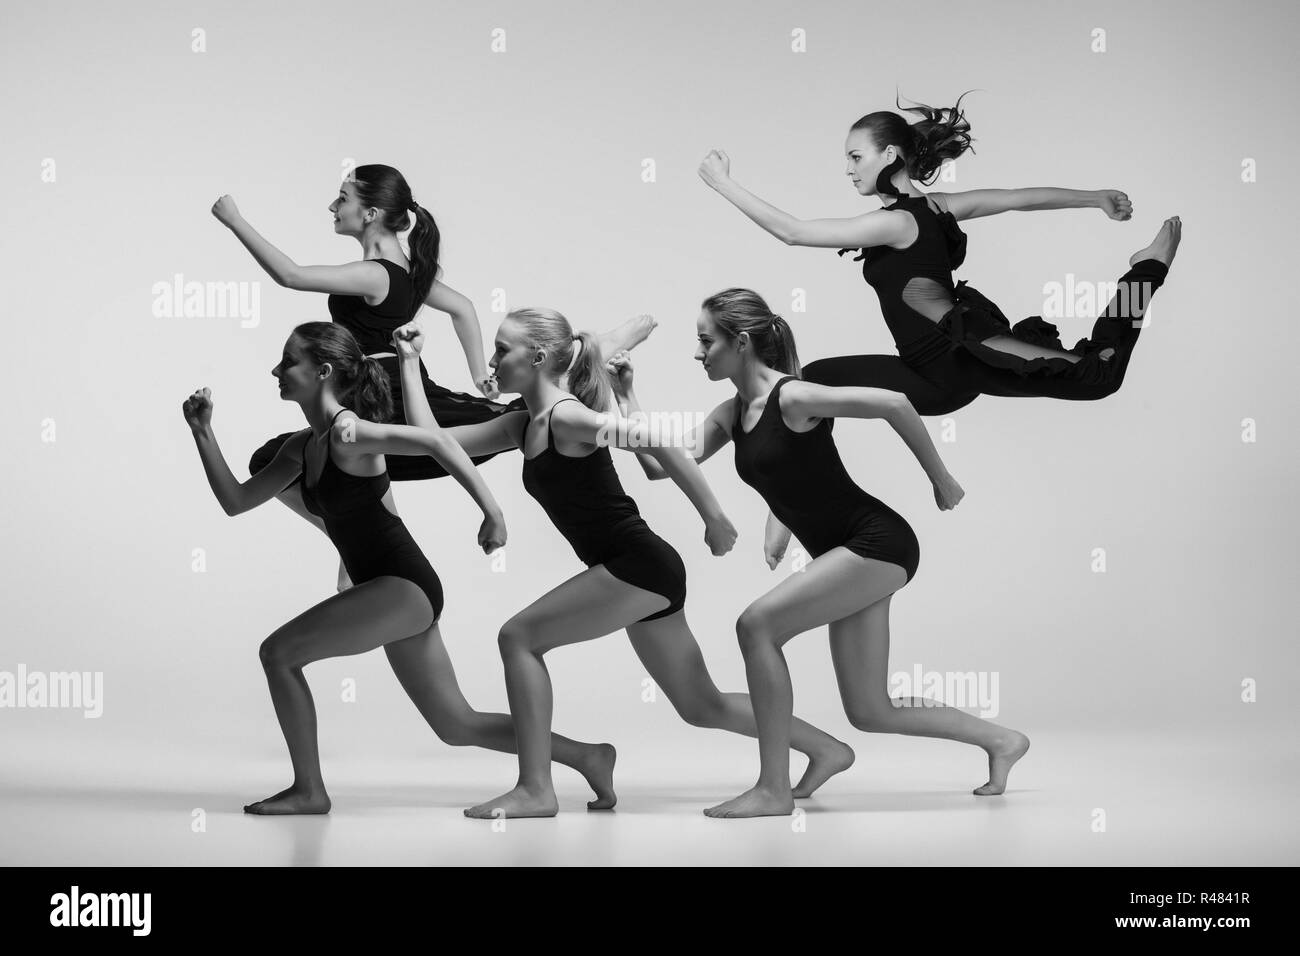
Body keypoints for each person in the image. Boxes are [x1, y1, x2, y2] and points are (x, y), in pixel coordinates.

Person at [391, 311, 855, 818]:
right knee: (702, 705)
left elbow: (654, 440)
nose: (493, 360)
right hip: (638, 571)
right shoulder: (525, 423)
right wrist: (410, 363)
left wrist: (714, 518)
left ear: (539, 359)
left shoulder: (568, 419)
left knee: (518, 638)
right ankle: (828, 749)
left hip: (636, 566)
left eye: (503, 350)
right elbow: (436, 444)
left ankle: (535, 789)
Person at [182, 322, 617, 814]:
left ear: (323, 372)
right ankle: (588, 756)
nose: (277, 370)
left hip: (402, 587)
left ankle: (309, 791)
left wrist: (491, 512)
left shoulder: (351, 432)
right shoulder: (301, 447)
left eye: (289, 361)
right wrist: (203, 433)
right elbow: (236, 501)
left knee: (278, 654)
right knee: (458, 725)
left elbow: (438, 443)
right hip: (394, 592)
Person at [630, 288, 1030, 818]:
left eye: (706, 341)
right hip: (845, 553)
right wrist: (625, 396)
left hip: (875, 543)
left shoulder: (793, 397)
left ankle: (772, 788)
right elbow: (663, 467)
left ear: (741, 342)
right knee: (869, 709)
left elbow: (894, 402)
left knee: (757, 627)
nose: (698, 353)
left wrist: (942, 480)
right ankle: (1002, 740)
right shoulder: (731, 412)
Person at [211, 164, 654, 588]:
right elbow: (463, 307)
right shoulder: (409, 269)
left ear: (370, 214)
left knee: (521, 418)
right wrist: (481, 374)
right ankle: (352, 543)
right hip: (395, 387)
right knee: (508, 421)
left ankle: (604, 346)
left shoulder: (373, 274)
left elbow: (290, 275)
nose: (332, 206)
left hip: (385, 394)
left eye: (341, 198)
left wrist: (235, 220)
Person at [697, 93, 1179, 417]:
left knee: (1099, 376)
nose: (847, 168)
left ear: (889, 156)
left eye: (855, 156)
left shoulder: (898, 221)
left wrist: (723, 184)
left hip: (958, 360)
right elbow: (1019, 197)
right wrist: (1092, 197)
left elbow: (794, 233)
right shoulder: (933, 209)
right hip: (922, 381)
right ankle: (765, 483)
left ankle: (1145, 271)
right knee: (807, 383)